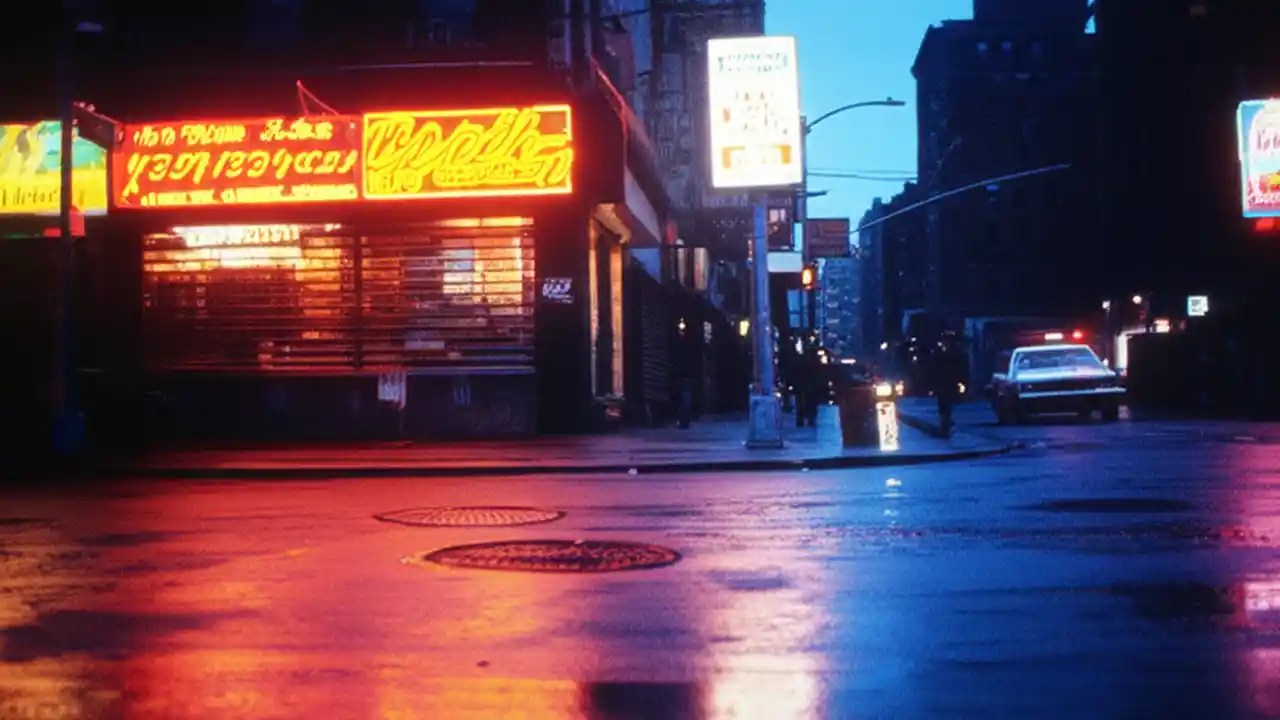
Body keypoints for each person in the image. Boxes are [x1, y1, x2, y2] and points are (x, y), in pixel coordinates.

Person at [931, 332, 968, 438]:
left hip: (950, 382)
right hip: (943, 382)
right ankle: (945, 424)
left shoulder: (956, 354)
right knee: (944, 404)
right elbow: (933, 369)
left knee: (947, 404)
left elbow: (962, 369)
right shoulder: (940, 354)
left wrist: (963, 382)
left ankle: (946, 424)